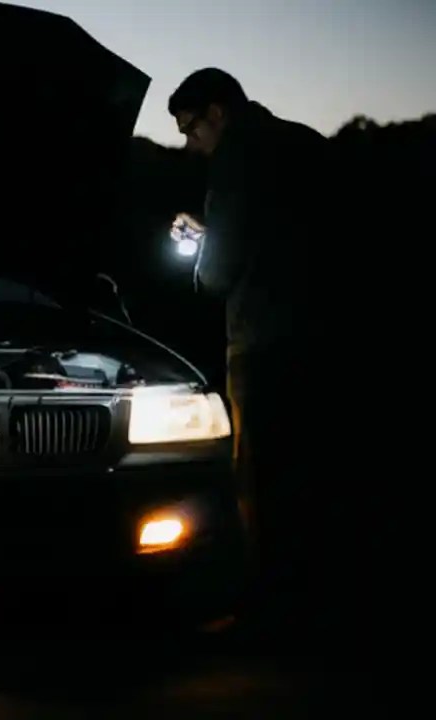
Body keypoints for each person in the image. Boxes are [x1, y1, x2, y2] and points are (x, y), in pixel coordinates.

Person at [168, 69, 348, 643]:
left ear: (216, 113)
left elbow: (220, 272)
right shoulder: (305, 143)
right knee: (316, 474)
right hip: (326, 334)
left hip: (263, 342)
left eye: (191, 129)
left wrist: (200, 256)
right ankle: (323, 598)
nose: (190, 144)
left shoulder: (234, 161)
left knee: (262, 482)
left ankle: (270, 612)